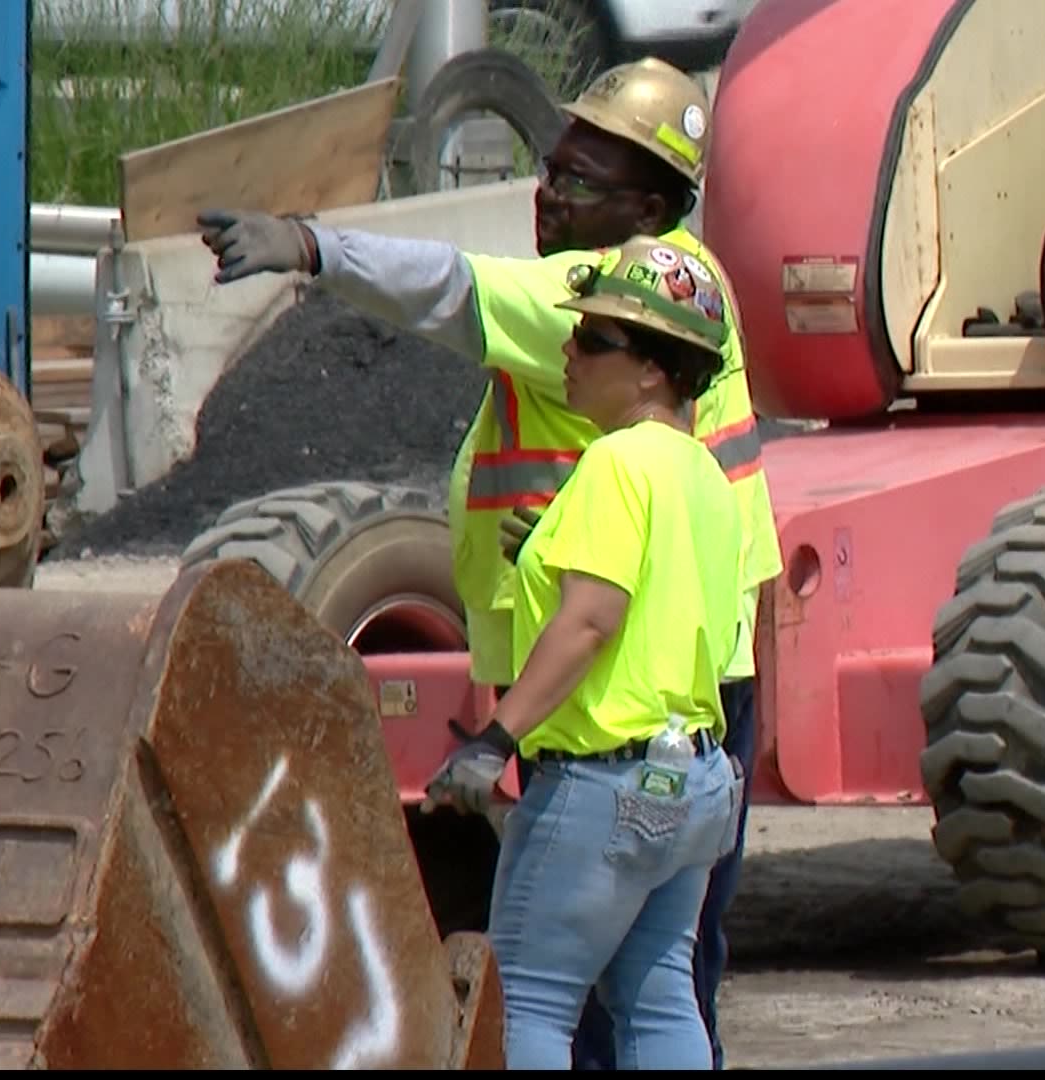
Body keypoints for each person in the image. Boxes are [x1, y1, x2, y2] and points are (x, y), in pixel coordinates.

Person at [196, 55, 782, 1069]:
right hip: (693, 719)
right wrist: (552, 548)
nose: (549, 194)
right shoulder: (692, 307)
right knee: (663, 991)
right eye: (549, 169)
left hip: (601, 720)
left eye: (581, 180)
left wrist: (309, 245)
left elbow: (450, 288)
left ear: (648, 210)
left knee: (545, 1001)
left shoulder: (607, 308)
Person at [421, 235, 745, 1069]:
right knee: (659, 994)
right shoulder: (707, 479)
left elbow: (592, 621)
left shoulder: (614, 465)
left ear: (653, 372)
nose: (569, 351)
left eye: (594, 339)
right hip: (693, 780)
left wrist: (496, 741)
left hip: (606, 784)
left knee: (527, 1000)